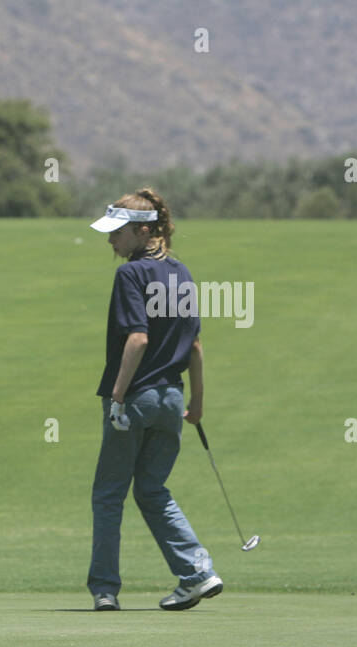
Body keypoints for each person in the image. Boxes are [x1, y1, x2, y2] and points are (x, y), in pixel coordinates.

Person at [87, 189, 222, 611]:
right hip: (170, 400)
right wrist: (197, 403)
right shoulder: (181, 273)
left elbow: (138, 338)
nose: (111, 241)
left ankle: (105, 590)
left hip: (136, 398)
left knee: (109, 493)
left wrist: (117, 395)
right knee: (151, 490)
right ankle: (198, 573)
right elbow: (195, 346)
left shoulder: (131, 275)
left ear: (142, 231)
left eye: (117, 233)